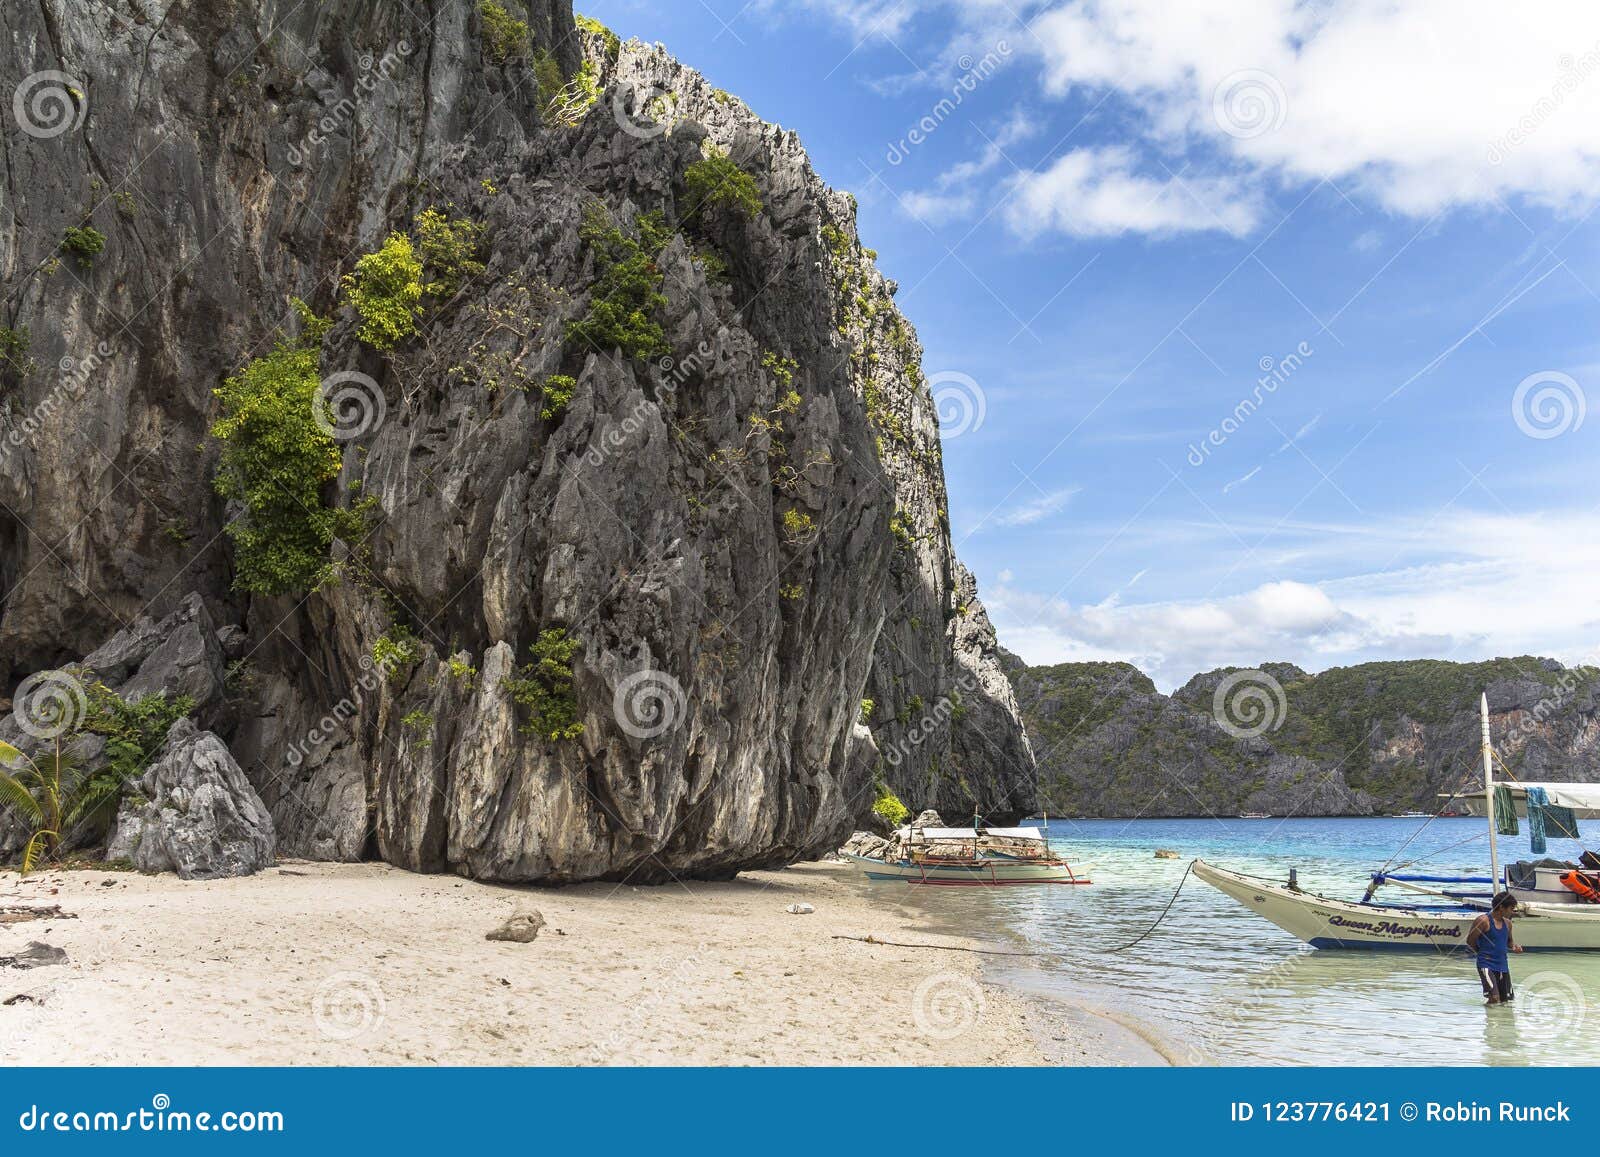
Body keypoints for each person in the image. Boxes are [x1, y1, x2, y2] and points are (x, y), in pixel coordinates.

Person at [1466, 891, 1522, 1005]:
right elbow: (1470, 941)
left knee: (1506, 1001)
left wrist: (1515, 947)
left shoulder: (1508, 923)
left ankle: (1500, 1021)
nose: (1512, 912)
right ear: (1501, 907)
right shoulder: (1483, 921)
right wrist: (1481, 953)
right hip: (1486, 964)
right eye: (1511, 908)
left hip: (1502, 964)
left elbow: (1509, 942)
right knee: (1494, 997)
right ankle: (1489, 1021)